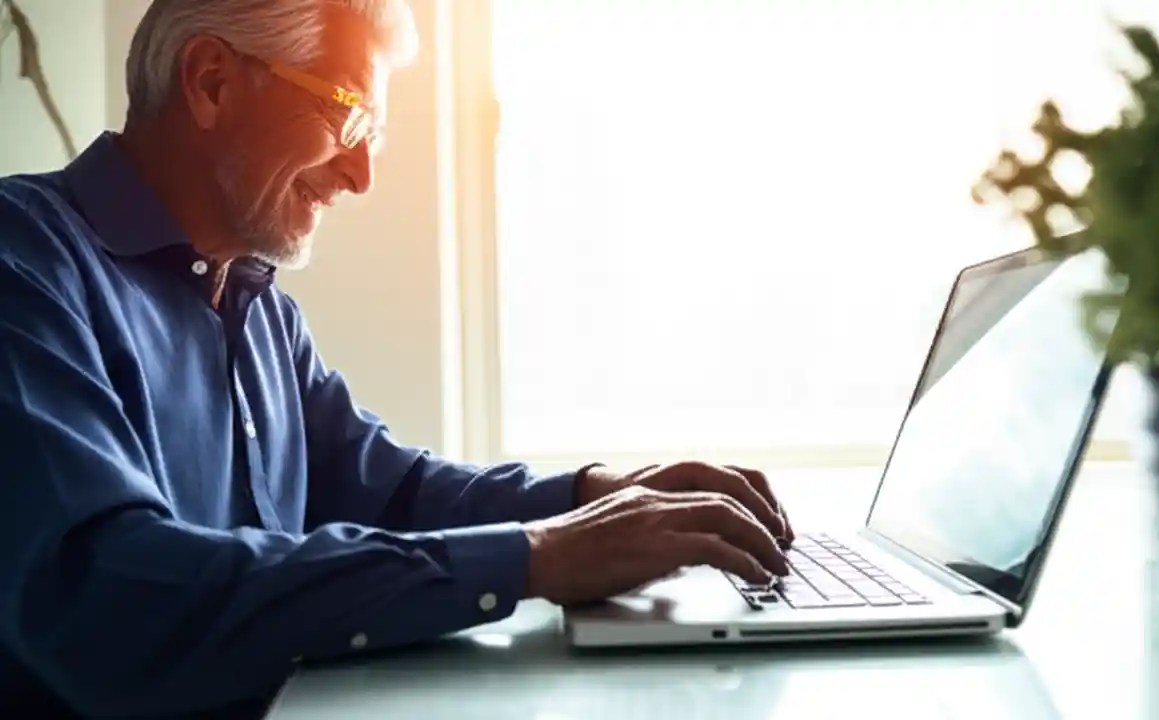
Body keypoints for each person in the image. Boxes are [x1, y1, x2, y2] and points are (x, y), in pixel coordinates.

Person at [0, 1, 794, 716]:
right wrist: (537, 557)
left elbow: (391, 490)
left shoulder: (255, 305)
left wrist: (594, 496)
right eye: (349, 116)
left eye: (371, 134)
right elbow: (107, 598)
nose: (362, 173)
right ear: (211, 81)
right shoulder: (23, 261)